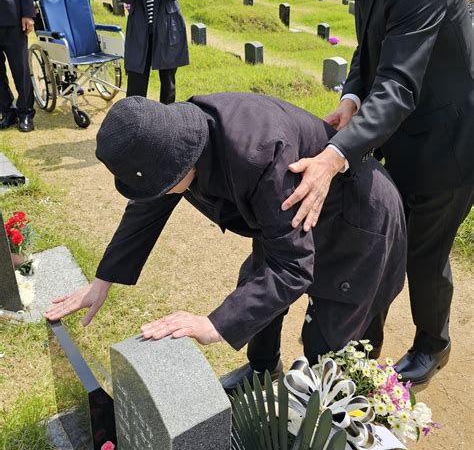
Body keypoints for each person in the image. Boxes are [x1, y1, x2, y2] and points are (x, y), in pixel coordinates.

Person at [45, 93, 407, 391]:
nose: (159, 193)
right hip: (287, 214)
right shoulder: (177, 136)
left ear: (177, 165)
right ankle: (263, 372)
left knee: (330, 344)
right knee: (256, 284)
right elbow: (150, 202)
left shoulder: (262, 154)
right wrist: (102, 281)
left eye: (161, 184)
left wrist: (214, 324)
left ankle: (330, 421)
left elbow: (293, 266)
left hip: (357, 221)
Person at [277, 0, 474, 385]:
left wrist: (334, 156)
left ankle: (434, 345)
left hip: (445, 144)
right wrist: (349, 99)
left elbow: (400, 85)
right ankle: (361, 351)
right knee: (381, 240)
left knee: (421, 253)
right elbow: (369, 52)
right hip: (401, 129)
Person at [0, 0, 36, 133]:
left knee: (19, 66)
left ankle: (25, 112)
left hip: (10, 11)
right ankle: (7, 110)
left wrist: (28, 13)